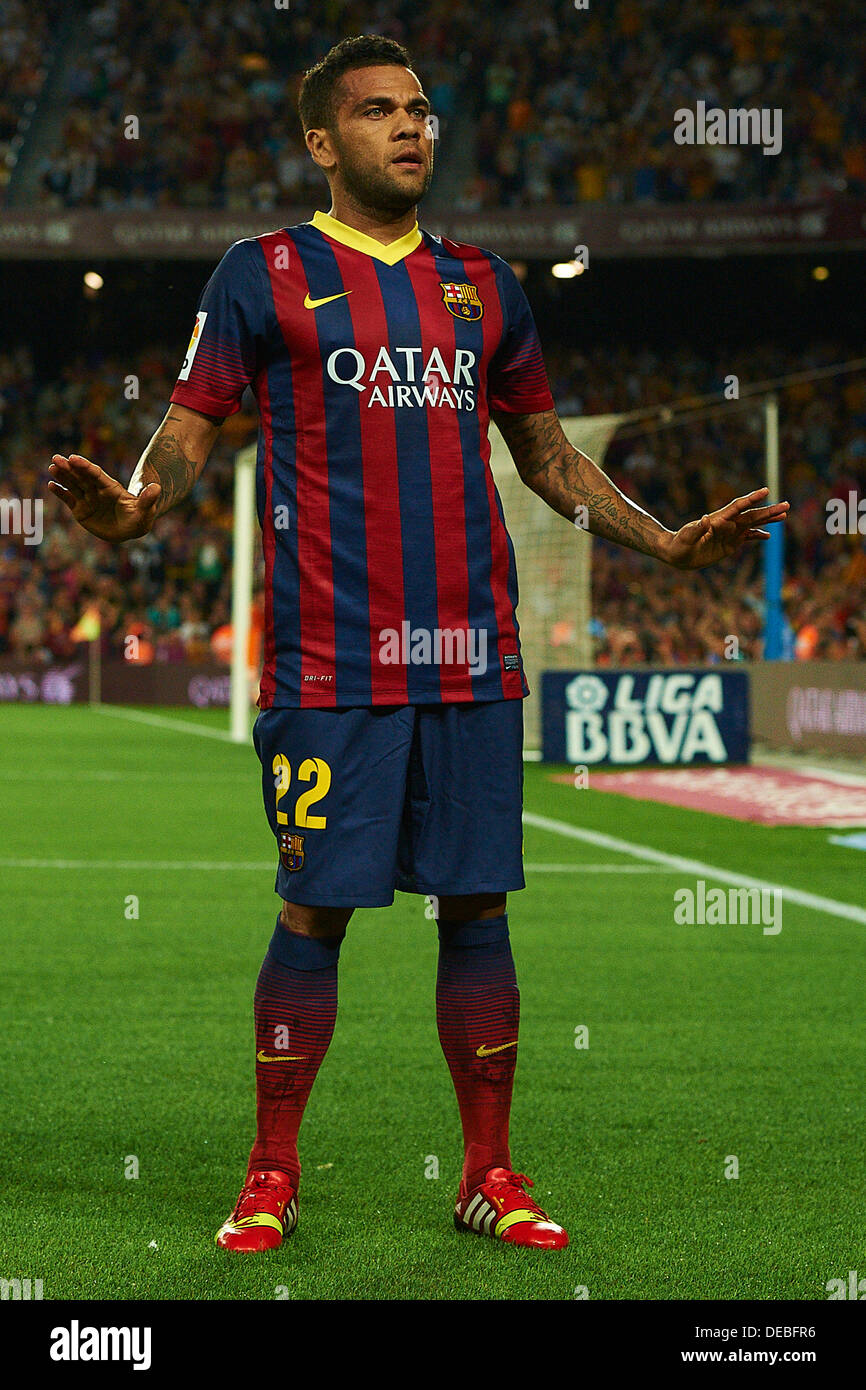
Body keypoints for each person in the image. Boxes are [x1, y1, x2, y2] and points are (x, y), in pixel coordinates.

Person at [47, 34, 789, 1257]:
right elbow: (186, 431)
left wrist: (660, 544)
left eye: (423, 110)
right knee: (313, 912)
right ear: (319, 142)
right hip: (327, 663)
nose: (411, 127)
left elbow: (546, 455)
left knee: (477, 909)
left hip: (470, 656)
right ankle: (268, 1169)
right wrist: (135, 508)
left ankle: (487, 1172)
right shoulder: (260, 272)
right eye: (380, 111)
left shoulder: (486, 286)